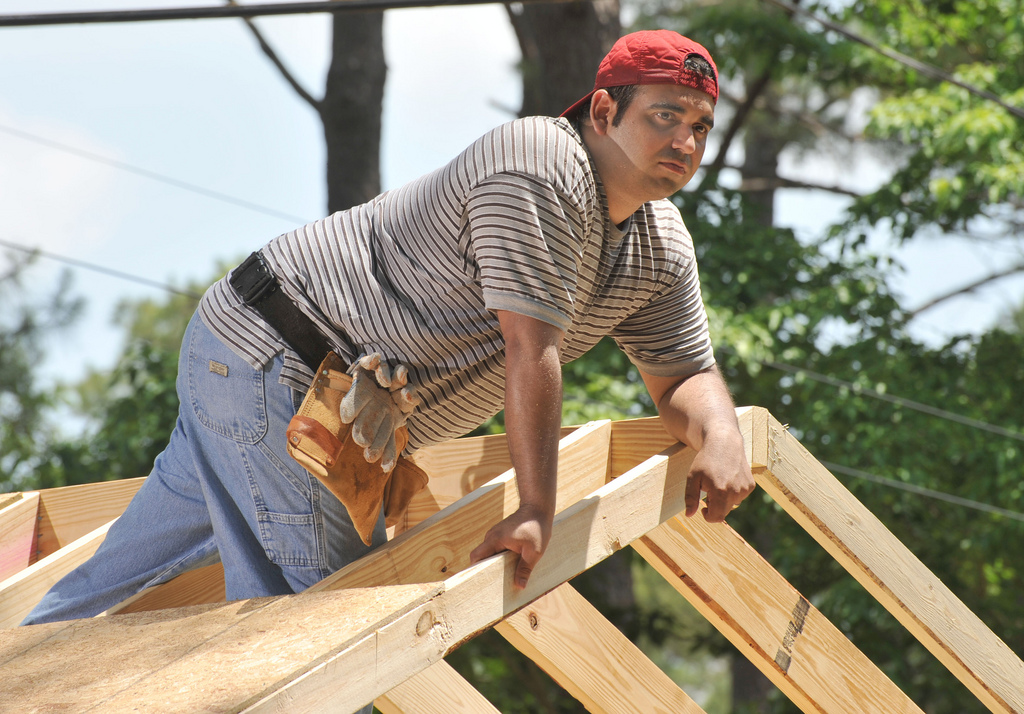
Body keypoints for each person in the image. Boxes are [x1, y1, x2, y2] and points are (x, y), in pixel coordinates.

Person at [23, 29, 754, 634]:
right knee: (332, 633)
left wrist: (720, 433)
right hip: (278, 359)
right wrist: (534, 511)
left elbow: (684, 374)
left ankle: (18, 661)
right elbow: (534, 348)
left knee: (96, 603)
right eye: (665, 115)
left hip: (291, 383)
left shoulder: (660, 246)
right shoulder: (541, 165)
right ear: (603, 110)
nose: (685, 141)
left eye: (699, 126)